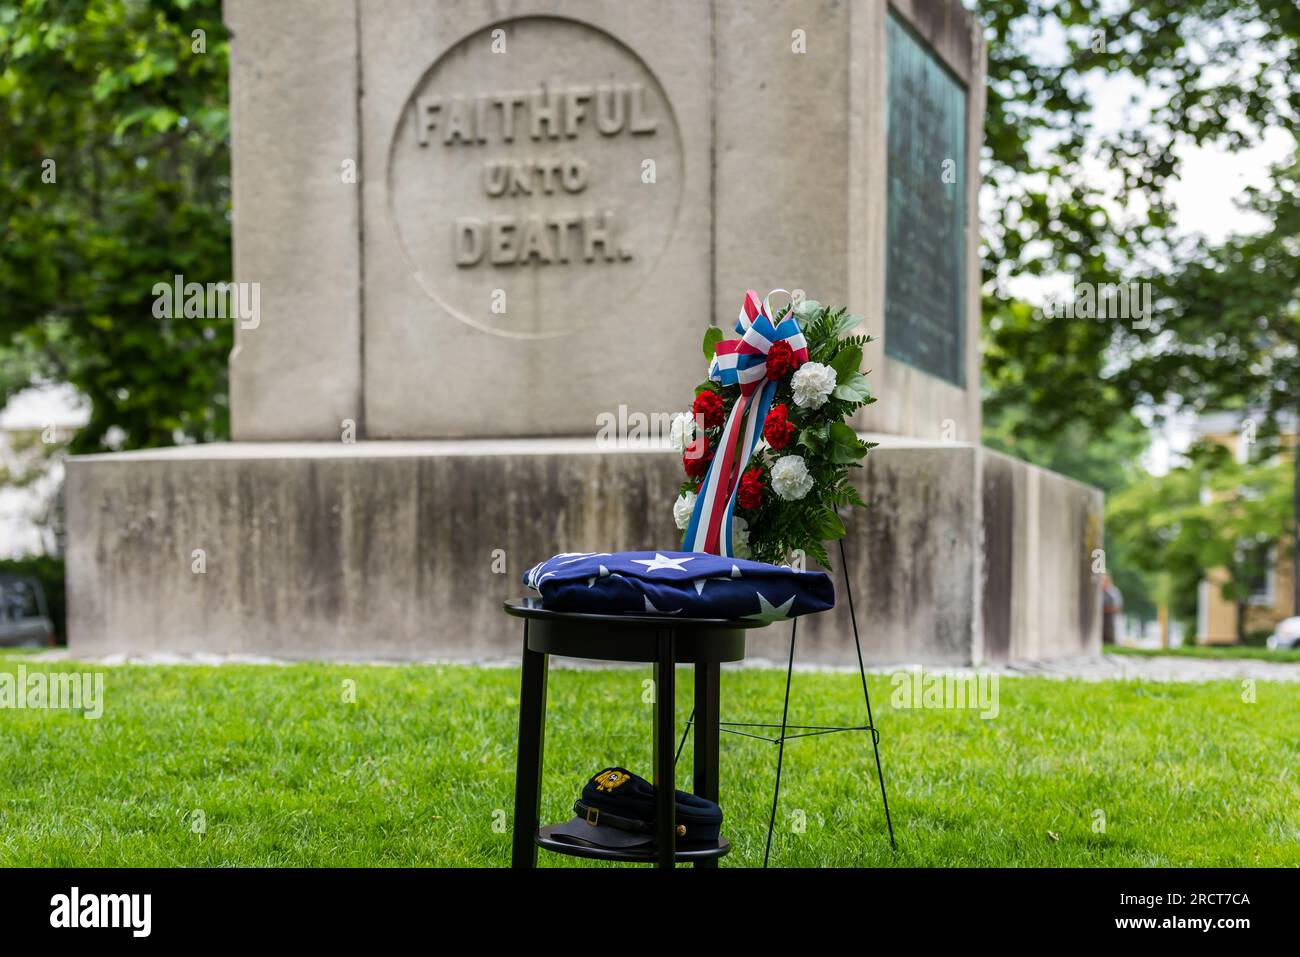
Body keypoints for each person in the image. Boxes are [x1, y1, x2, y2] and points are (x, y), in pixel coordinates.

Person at [1102, 574, 1124, 646]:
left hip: (1111, 619)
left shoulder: (1114, 592)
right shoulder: (1099, 592)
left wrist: (1104, 609)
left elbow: (1117, 607)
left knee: (1110, 638)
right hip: (1100, 619)